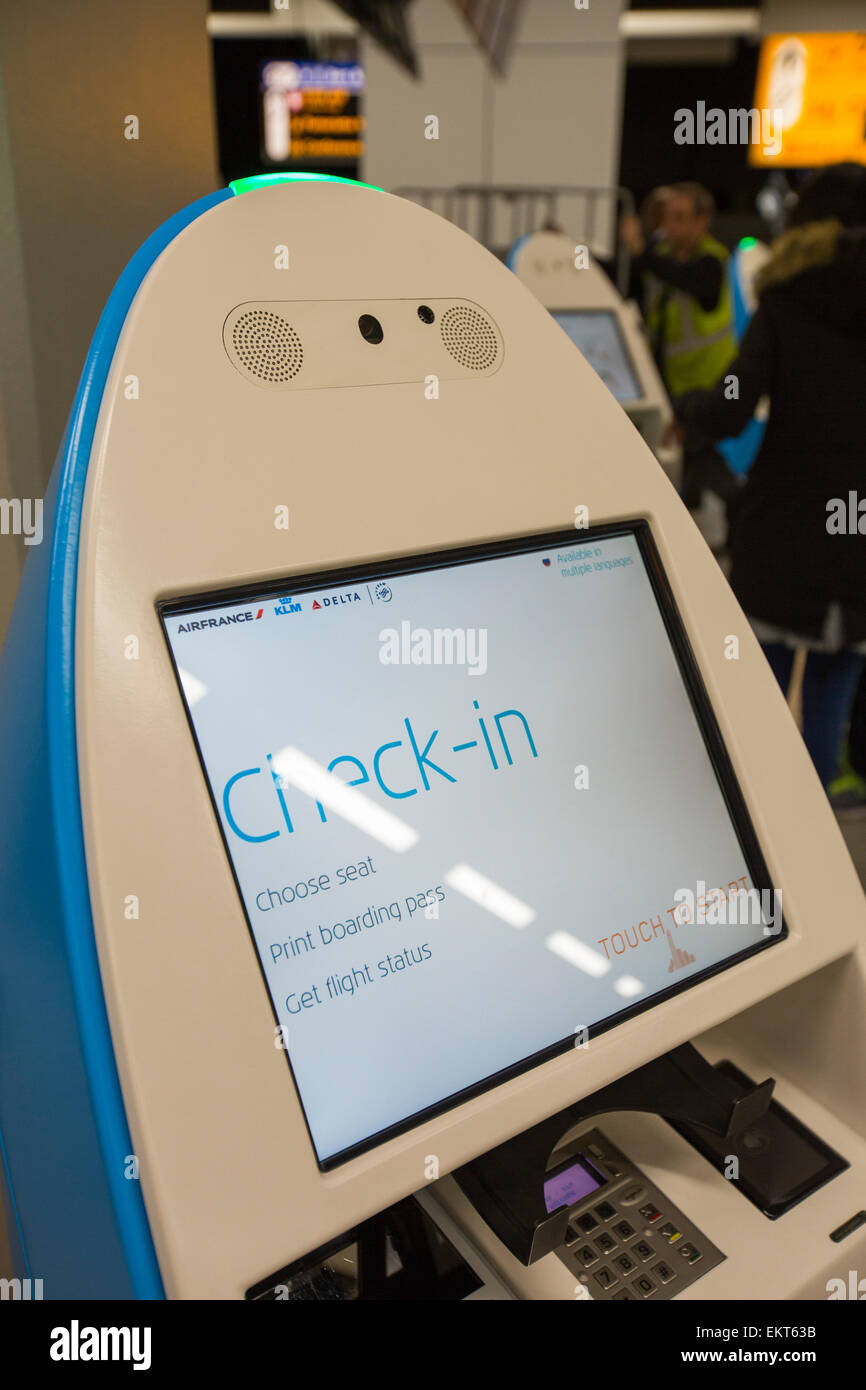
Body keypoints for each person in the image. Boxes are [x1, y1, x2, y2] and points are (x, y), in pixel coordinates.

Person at [675, 163, 866, 788]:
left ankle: (764, 819)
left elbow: (733, 402)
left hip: (785, 524)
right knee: (838, 674)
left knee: (762, 686)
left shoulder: (787, 302)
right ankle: (824, 799)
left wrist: (688, 410)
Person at [621, 183, 739, 511]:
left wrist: (639, 250)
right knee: (688, 459)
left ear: (703, 222)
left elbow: (685, 279)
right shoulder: (659, 258)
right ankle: (697, 514)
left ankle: (733, 507)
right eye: (667, 218)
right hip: (669, 383)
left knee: (699, 451)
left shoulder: (711, 261)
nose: (669, 226)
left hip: (706, 384)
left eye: (680, 218)